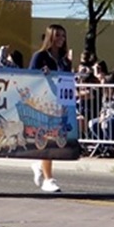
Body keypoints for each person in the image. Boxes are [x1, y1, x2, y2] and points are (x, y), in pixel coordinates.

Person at [28, 24, 70, 193]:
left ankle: (40, 165)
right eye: (58, 35)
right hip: (42, 103)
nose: (61, 39)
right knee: (47, 139)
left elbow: (66, 79)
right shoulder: (39, 56)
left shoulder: (64, 59)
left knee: (56, 138)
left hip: (60, 103)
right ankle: (48, 179)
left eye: (63, 36)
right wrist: (41, 74)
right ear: (50, 37)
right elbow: (29, 77)